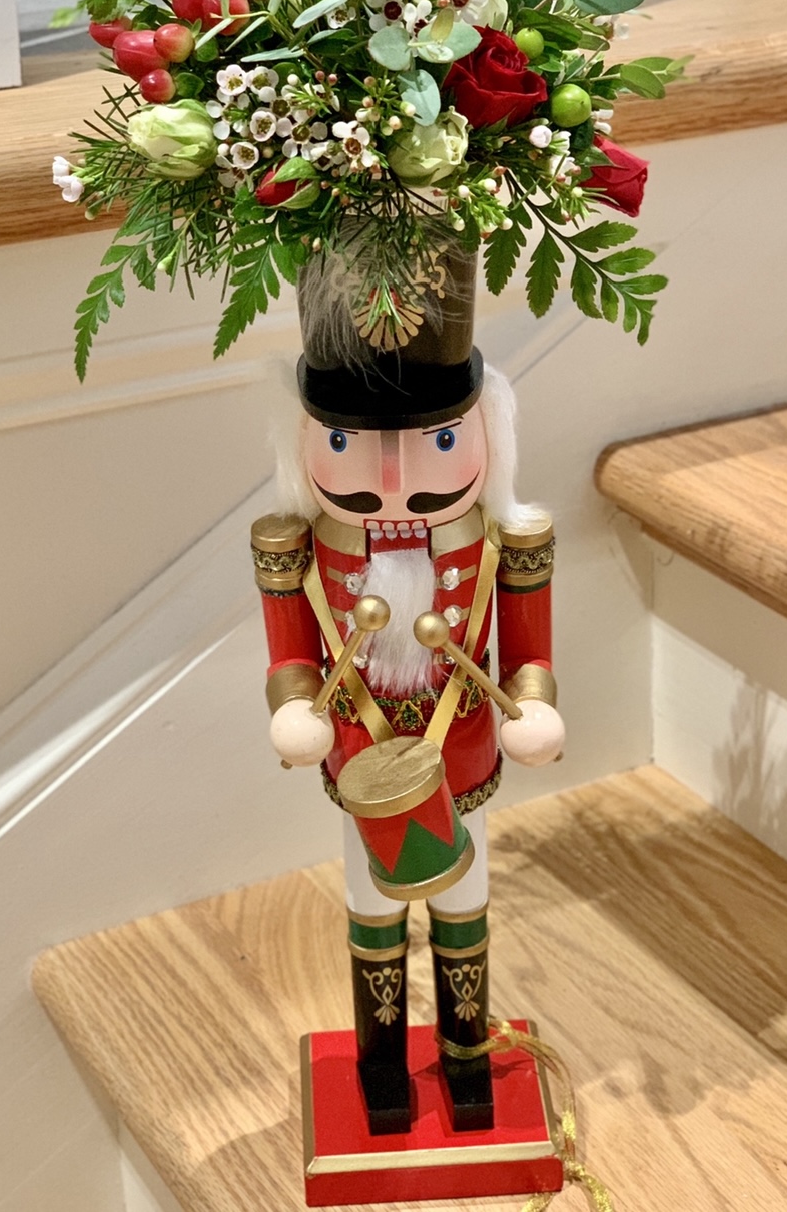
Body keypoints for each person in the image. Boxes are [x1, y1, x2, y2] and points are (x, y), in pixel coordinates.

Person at [251, 336, 564, 1136]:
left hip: (462, 759)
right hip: (363, 766)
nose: (391, 480)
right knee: (372, 908)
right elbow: (291, 654)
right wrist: (293, 706)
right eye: (346, 441)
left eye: (439, 439)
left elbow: (527, 652)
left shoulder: (501, 541)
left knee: (464, 900)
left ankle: (466, 1052)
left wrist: (533, 705)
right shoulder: (300, 546)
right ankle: (380, 1059)